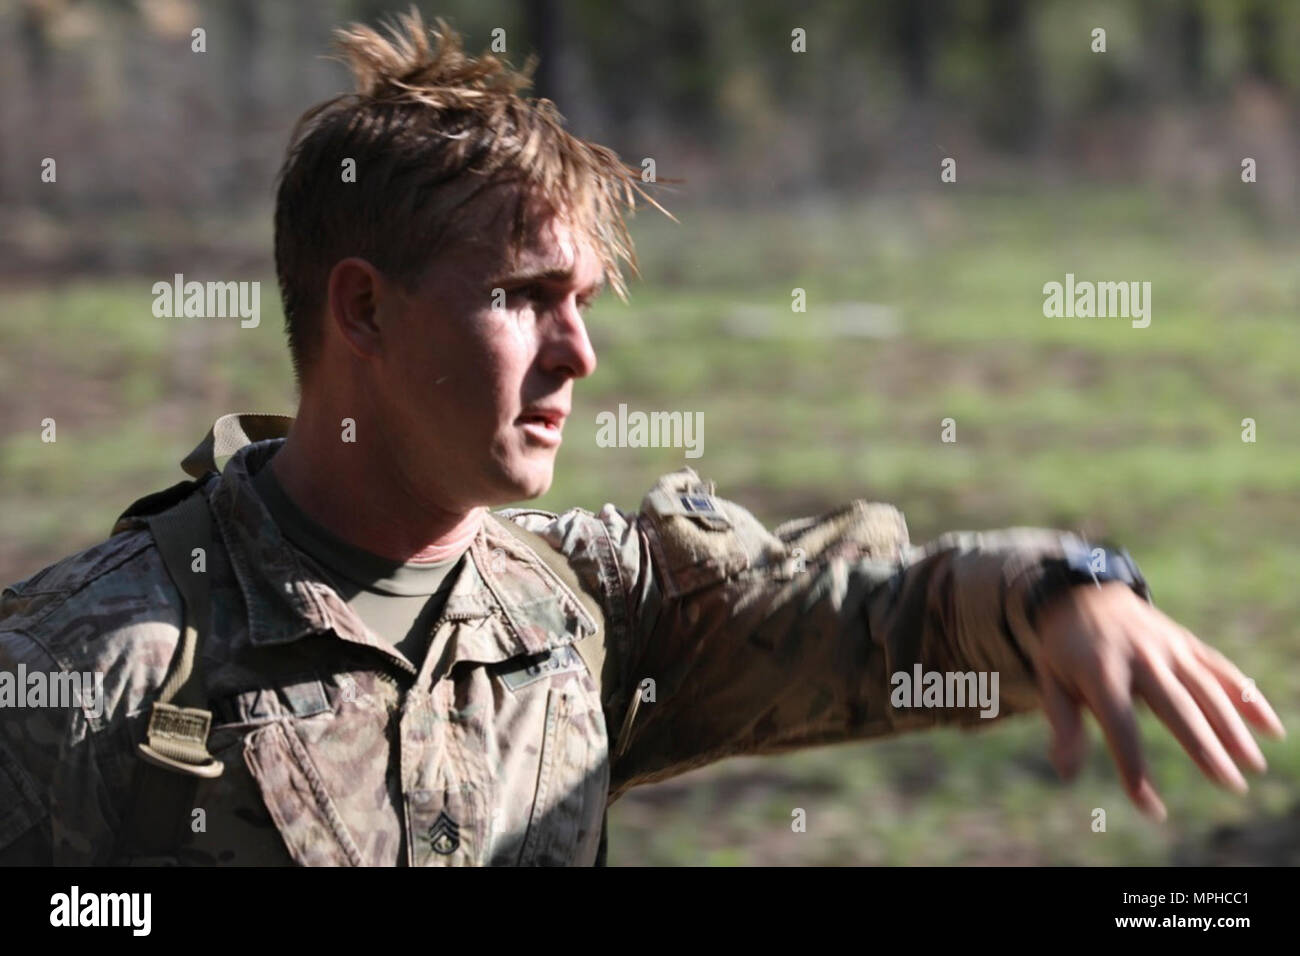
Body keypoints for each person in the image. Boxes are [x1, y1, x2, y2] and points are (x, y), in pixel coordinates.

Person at [0, 12, 1284, 866]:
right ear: (362, 309)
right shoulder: (98, 668)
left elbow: (853, 619)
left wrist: (1063, 589)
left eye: (585, 305)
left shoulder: (576, 611)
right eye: (521, 298)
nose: (580, 354)